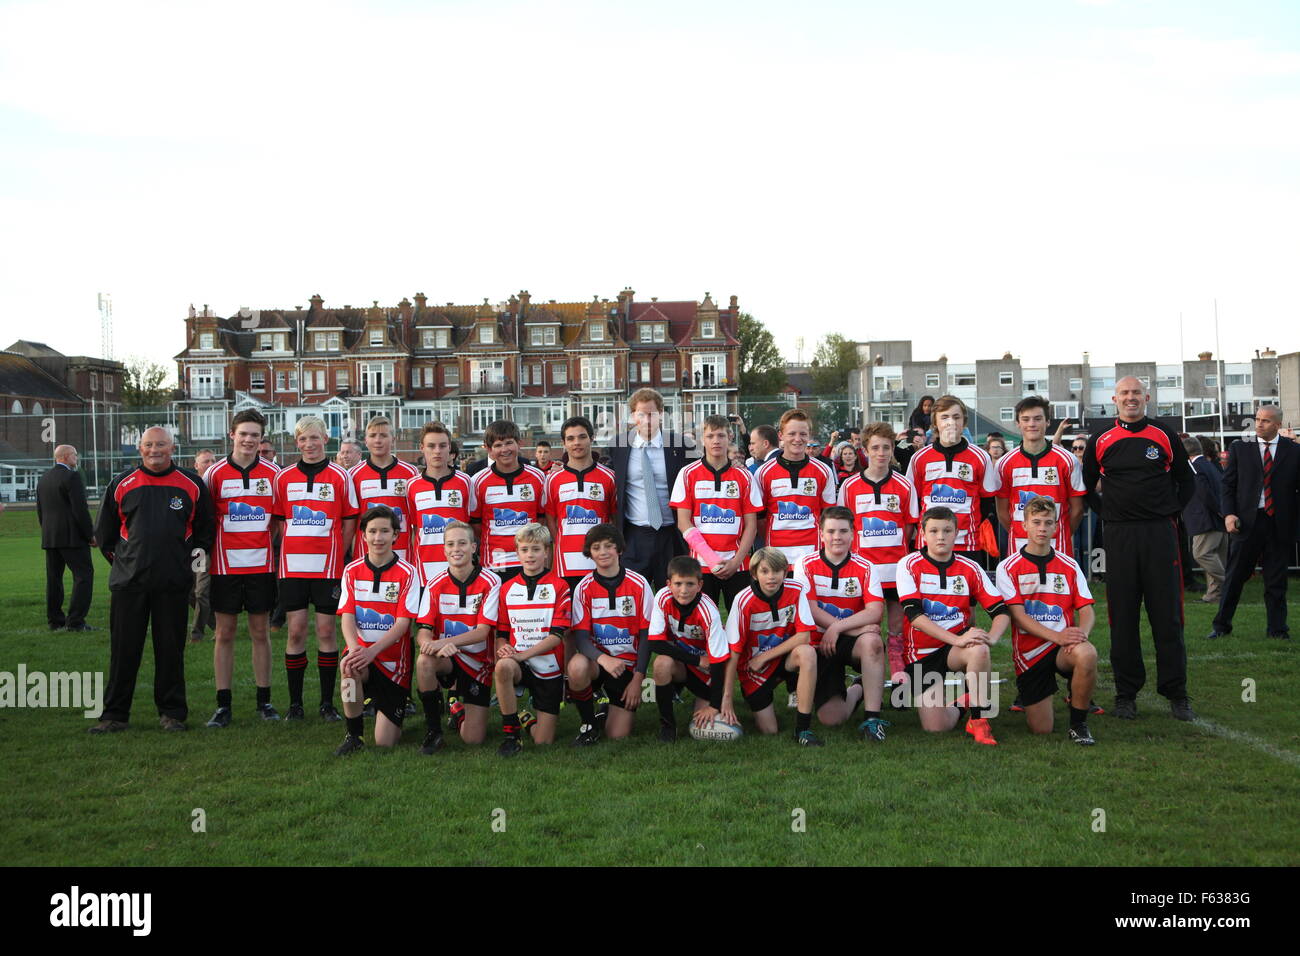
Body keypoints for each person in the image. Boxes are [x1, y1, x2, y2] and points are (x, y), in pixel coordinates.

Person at [1082, 376, 1196, 720]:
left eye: (1136, 393)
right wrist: (1111, 516)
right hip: (1120, 537)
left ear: (1146, 397)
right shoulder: (1101, 438)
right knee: (1124, 618)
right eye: (1124, 394)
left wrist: (1169, 513)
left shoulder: (1163, 434)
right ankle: (1126, 694)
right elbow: (1087, 486)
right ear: (1115, 399)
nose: (1131, 398)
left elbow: (1186, 480)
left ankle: (1176, 693)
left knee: (1168, 617)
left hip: (1160, 535)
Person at [90, 427, 216, 733]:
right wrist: (125, 566)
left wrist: (187, 568)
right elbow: (105, 536)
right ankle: (114, 715)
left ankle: (172, 714)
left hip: (172, 584)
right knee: (124, 650)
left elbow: (204, 532)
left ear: (172, 448)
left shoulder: (191, 484)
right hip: (129, 584)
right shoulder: (121, 483)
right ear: (139, 448)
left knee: (170, 650)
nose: (155, 449)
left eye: (161, 444)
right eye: (149, 444)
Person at [895, 506, 1009, 746]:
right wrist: (955, 638)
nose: (940, 536)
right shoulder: (908, 564)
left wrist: (993, 637)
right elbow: (914, 616)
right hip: (921, 656)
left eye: (947, 530)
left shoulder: (971, 567)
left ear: (956, 533)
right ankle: (963, 701)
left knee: (979, 648)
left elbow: (1001, 611)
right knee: (936, 728)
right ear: (923, 533)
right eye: (934, 530)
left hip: (957, 650)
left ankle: (979, 721)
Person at [273, 415, 359, 722]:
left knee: (326, 631)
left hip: (328, 567)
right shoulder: (283, 478)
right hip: (292, 567)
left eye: (314, 438)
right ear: (297, 442)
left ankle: (327, 703)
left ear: (326, 439)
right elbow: (280, 521)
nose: (309, 444)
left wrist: (339, 553)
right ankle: (295, 705)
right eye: (302, 439)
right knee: (295, 632)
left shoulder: (340, 476)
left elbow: (349, 520)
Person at [995, 496, 1099, 745]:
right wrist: (1058, 636)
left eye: (1048, 523)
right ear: (1025, 525)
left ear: (1056, 527)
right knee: (1041, 729)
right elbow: (1018, 617)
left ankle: (1079, 724)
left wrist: (1080, 635)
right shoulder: (1007, 567)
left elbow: (1087, 610)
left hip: (1065, 648)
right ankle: (1038, 691)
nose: (1042, 528)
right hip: (1031, 653)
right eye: (1037, 522)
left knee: (1087, 654)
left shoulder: (1070, 565)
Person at [203, 409, 282, 727]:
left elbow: (278, 520)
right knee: (224, 633)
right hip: (225, 567)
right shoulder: (215, 474)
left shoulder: (274, 474)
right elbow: (206, 520)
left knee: (260, 632)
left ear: (261, 439)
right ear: (232, 434)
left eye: (255, 435)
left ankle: (265, 702)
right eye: (244, 433)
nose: (249, 440)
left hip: (261, 567)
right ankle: (223, 706)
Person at [791, 507, 889, 740]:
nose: (837, 537)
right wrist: (853, 627)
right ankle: (859, 688)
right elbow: (810, 610)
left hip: (849, 641)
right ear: (821, 533)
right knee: (832, 719)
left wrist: (836, 627)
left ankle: (872, 719)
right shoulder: (804, 563)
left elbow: (875, 612)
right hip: (818, 644)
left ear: (853, 533)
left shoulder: (866, 566)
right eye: (831, 531)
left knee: (873, 641)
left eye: (843, 531)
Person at [332, 505, 423, 756]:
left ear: (396, 535)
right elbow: (347, 616)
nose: (378, 538)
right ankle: (354, 734)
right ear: (363, 535)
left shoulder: (408, 573)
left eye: (385, 531)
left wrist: (373, 652)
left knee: (385, 742)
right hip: (363, 653)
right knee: (348, 668)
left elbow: (403, 624)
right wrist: (354, 647)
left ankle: (390, 706)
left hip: (393, 663)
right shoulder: (351, 570)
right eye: (372, 531)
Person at [1209, 405, 1300, 641]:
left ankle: (1278, 630)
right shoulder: (1241, 448)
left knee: (1276, 580)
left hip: (1279, 524)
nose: (1259, 424)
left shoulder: (1293, 451)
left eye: (1266, 421)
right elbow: (1227, 486)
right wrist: (1228, 514)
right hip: (1247, 523)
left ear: (1278, 424)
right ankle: (1221, 626)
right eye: (1258, 419)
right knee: (1235, 577)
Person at [837, 422, 918, 684]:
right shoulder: (849, 486)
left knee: (896, 627)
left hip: (896, 569)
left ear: (893, 449)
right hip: (864, 572)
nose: (881, 453)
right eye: (875, 447)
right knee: (868, 628)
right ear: (865, 449)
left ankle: (897, 674)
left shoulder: (904, 484)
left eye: (886, 447)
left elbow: (909, 526)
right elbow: (845, 527)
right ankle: (868, 676)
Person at [414, 520, 502, 751]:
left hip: (478, 662)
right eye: (450, 544)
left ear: (473, 547)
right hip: (447, 658)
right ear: (444, 549)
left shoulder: (492, 581)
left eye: (462, 543)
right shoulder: (434, 584)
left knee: (473, 739)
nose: (456, 549)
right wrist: (431, 646)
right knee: (424, 661)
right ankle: (434, 731)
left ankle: (458, 710)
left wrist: (445, 642)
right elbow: (422, 632)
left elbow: (483, 632)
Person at [567, 524, 655, 745]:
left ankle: (605, 709)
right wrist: (604, 659)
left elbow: (647, 636)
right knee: (576, 666)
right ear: (590, 553)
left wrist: (638, 679)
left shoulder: (640, 584)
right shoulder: (583, 588)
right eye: (596, 547)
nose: (603, 552)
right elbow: (581, 639)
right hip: (598, 663)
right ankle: (589, 725)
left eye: (609, 546)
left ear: (620, 550)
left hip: (626, 668)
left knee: (618, 734)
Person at [726, 546, 823, 746]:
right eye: (765, 571)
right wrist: (726, 698)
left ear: (785, 572)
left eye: (777, 571)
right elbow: (733, 652)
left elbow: (804, 636)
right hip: (753, 670)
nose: (772, 577)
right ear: (754, 574)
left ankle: (803, 729)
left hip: (782, 660)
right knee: (770, 731)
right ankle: (755, 696)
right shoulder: (743, 601)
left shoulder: (796, 590)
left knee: (807, 653)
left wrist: (765, 656)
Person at [492, 523, 571, 757]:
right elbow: (501, 633)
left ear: (547, 552)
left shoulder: (561, 586)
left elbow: (557, 637)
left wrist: (522, 654)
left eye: (536, 549)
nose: (530, 555)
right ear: (517, 553)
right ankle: (511, 735)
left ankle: (525, 719)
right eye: (525, 549)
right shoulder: (506, 589)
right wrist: (504, 650)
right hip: (519, 664)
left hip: (549, 667)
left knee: (543, 742)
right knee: (503, 667)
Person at [671, 414, 759, 612]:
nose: (716, 441)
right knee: (702, 625)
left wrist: (735, 562)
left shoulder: (744, 476)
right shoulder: (687, 474)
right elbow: (683, 523)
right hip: (701, 565)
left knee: (741, 623)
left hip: (738, 565)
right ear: (703, 439)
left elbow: (751, 525)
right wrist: (711, 560)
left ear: (730, 437)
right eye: (710, 436)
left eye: (721, 435)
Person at [607, 388, 688, 590]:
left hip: (671, 534)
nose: (647, 419)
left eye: (652, 414)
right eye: (641, 414)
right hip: (634, 536)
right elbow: (601, 473)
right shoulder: (618, 445)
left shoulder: (679, 445)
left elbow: (700, 471)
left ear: (661, 414)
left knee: (673, 596)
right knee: (632, 596)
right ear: (634, 416)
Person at [647, 555, 734, 742]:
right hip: (688, 663)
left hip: (707, 673)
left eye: (690, 584)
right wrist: (695, 660)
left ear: (700, 585)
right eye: (678, 584)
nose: (684, 590)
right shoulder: (662, 597)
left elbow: (718, 663)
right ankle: (667, 726)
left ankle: (702, 698)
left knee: (702, 726)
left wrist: (714, 704)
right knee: (661, 663)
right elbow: (655, 642)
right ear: (668, 584)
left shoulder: (709, 611)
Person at [905, 396, 1000, 563]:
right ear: (935, 423)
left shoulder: (980, 457)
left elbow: (987, 501)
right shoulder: (919, 458)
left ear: (964, 422)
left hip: (967, 544)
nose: (951, 422)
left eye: (956, 417)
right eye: (944, 417)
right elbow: (913, 501)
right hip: (928, 543)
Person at [994, 396, 1085, 557]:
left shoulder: (1068, 460)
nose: (1031, 424)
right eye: (1026, 419)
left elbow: (1077, 509)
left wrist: (1058, 533)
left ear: (1048, 422)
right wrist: (1023, 532)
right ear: (1018, 423)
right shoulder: (1004, 463)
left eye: (1037, 419)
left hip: (1058, 547)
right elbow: (1002, 512)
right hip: (1019, 547)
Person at [750, 409, 837, 565]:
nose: (798, 439)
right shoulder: (763, 472)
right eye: (792, 434)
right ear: (781, 436)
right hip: (776, 557)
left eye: (803, 434)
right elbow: (760, 519)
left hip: (813, 555)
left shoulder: (823, 471)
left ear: (809, 435)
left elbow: (828, 516)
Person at [545, 415, 618, 593]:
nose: (576, 443)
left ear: (592, 438)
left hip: (600, 560)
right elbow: (551, 521)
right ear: (563, 443)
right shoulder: (552, 479)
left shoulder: (609, 477)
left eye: (582, 437)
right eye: (570, 438)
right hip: (566, 562)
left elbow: (614, 520)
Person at [470, 420, 549, 581]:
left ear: (519, 444)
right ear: (489, 450)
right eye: (498, 445)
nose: (504, 449)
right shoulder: (478, 481)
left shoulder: (538, 477)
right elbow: (476, 525)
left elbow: (542, 519)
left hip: (530, 560)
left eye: (509, 443)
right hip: (495, 563)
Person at [406, 421, 476, 584]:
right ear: (422, 448)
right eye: (431, 446)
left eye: (442, 446)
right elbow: (414, 530)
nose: (437, 451)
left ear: (449, 448)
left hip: (460, 567)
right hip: (425, 570)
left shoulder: (465, 481)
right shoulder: (412, 485)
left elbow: (472, 523)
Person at [37, 444, 96, 632]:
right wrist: (90, 535)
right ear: (65, 456)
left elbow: (40, 510)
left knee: (54, 579)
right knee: (84, 576)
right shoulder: (72, 476)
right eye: (75, 455)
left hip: (50, 536)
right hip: (72, 538)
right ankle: (76, 621)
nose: (76, 459)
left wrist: (46, 531)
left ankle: (55, 620)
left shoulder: (44, 478)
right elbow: (80, 510)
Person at [1182, 435, 1228, 606]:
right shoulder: (1210, 465)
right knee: (1215, 556)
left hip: (1205, 519)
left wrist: (1218, 510)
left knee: (1202, 554)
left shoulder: (1194, 467)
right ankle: (1214, 595)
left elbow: (1203, 492)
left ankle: (1228, 582)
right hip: (1216, 519)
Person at [188, 448, 218, 642]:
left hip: (204, 549)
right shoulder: (189, 485)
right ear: (196, 465)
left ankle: (197, 633)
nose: (210, 464)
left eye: (213, 460)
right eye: (206, 461)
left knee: (201, 590)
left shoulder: (219, 485)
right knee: (190, 592)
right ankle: (217, 624)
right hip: (187, 548)